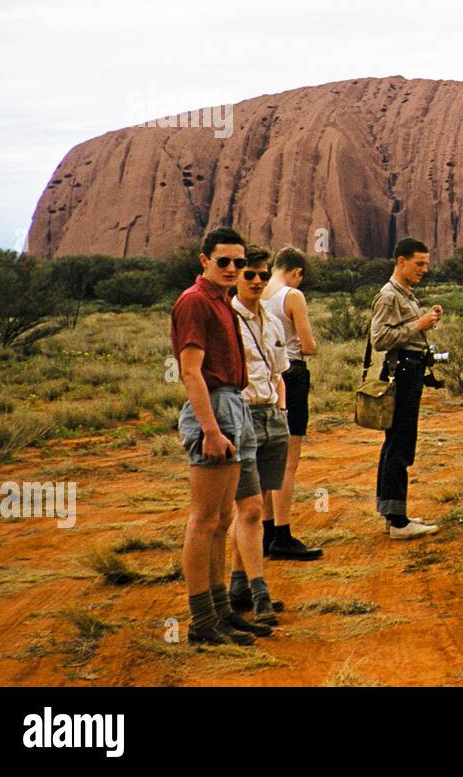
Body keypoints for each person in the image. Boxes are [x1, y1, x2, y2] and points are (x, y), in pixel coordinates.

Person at [171, 227, 260, 645]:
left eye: (238, 263)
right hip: (215, 409)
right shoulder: (194, 302)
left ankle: (221, 611)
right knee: (204, 519)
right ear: (204, 260)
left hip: (233, 406)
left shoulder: (221, 302)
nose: (232, 269)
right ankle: (201, 621)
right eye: (223, 261)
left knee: (223, 519)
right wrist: (209, 428)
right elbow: (191, 371)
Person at [227, 245, 288, 627]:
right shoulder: (227, 320)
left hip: (272, 417)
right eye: (249, 274)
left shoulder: (273, 321)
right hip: (243, 417)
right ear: (237, 276)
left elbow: (280, 372)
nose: (256, 281)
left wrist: (281, 409)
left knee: (257, 505)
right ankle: (260, 592)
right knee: (249, 509)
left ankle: (237, 586)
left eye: (263, 275)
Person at [369, 237, 442, 540]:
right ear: (401, 262)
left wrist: (427, 320)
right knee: (399, 444)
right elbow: (380, 339)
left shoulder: (405, 294)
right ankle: (398, 522)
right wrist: (419, 325)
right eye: (419, 263)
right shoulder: (389, 296)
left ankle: (393, 512)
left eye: (426, 263)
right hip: (401, 374)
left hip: (411, 371)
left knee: (398, 442)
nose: (424, 269)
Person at [261, 246, 322, 561]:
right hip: (293, 375)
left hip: (265, 378)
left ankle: (267, 532)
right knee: (288, 462)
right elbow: (308, 345)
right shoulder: (292, 296)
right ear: (297, 272)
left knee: (268, 459)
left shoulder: (256, 293)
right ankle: (283, 536)